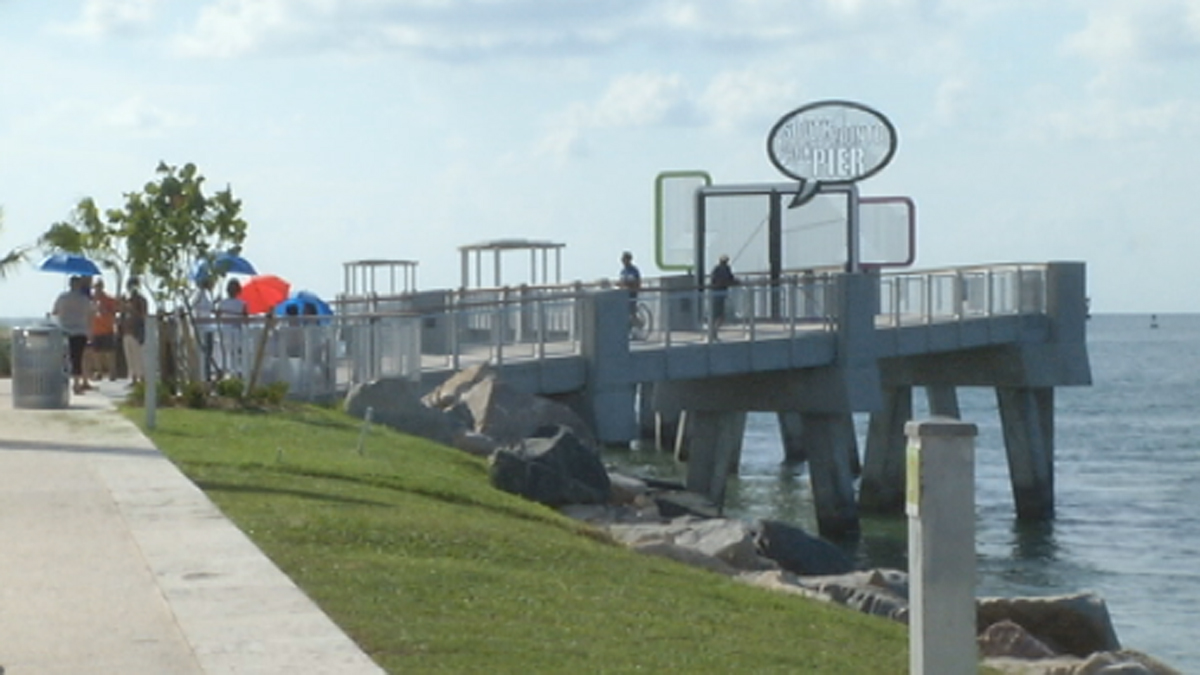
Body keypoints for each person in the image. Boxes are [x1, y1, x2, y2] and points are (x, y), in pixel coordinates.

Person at [52, 275, 95, 395]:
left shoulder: (62, 297)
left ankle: (61, 383)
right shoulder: (84, 299)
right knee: (77, 358)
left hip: (64, 331)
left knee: (64, 358)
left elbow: (54, 311)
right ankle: (76, 384)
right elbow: (91, 313)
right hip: (80, 331)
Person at [86, 278, 119, 381]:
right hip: (95, 330)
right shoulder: (91, 300)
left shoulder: (109, 299)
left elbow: (114, 313)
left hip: (107, 329)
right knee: (96, 353)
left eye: (99, 287)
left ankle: (112, 372)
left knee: (109, 353)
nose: (97, 290)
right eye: (96, 287)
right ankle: (99, 372)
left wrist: (103, 308)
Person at [215, 278, 248, 377]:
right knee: (236, 353)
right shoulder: (242, 304)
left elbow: (218, 317)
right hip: (237, 331)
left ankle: (227, 371)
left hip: (225, 331)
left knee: (226, 353)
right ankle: (237, 372)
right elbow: (246, 319)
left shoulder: (222, 303)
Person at [119, 276, 148, 385]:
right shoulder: (126, 299)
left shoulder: (142, 300)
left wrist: (132, 309)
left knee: (139, 357)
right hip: (126, 332)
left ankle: (142, 378)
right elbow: (121, 315)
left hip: (137, 333)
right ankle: (134, 378)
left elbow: (143, 316)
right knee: (129, 357)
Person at [192, 276, 216, 380]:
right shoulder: (201, 295)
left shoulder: (201, 295)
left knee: (207, 353)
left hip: (205, 327)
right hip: (204, 328)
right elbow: (206, 308)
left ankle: (206, 374)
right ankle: (205, 376)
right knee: (206, 353)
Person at [709, 254, 739, 336]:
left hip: (721, 294)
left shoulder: (724, 269)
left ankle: (714, 330)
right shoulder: (718, 269)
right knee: (717, 314)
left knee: (720, 315)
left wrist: (735, 282)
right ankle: (713, 330)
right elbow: (718, 281)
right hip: (717, 294)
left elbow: (730, 279)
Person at [617, 251, 642, 324]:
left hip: (632, 293)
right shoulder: (623, 271)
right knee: (625, 311)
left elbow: (636, 281)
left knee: (632, 311)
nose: (623, 261)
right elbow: (621, 281)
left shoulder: (634, 270)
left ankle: (638, 323)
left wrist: (629, 284)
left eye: (625, 259)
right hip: (624, 294)